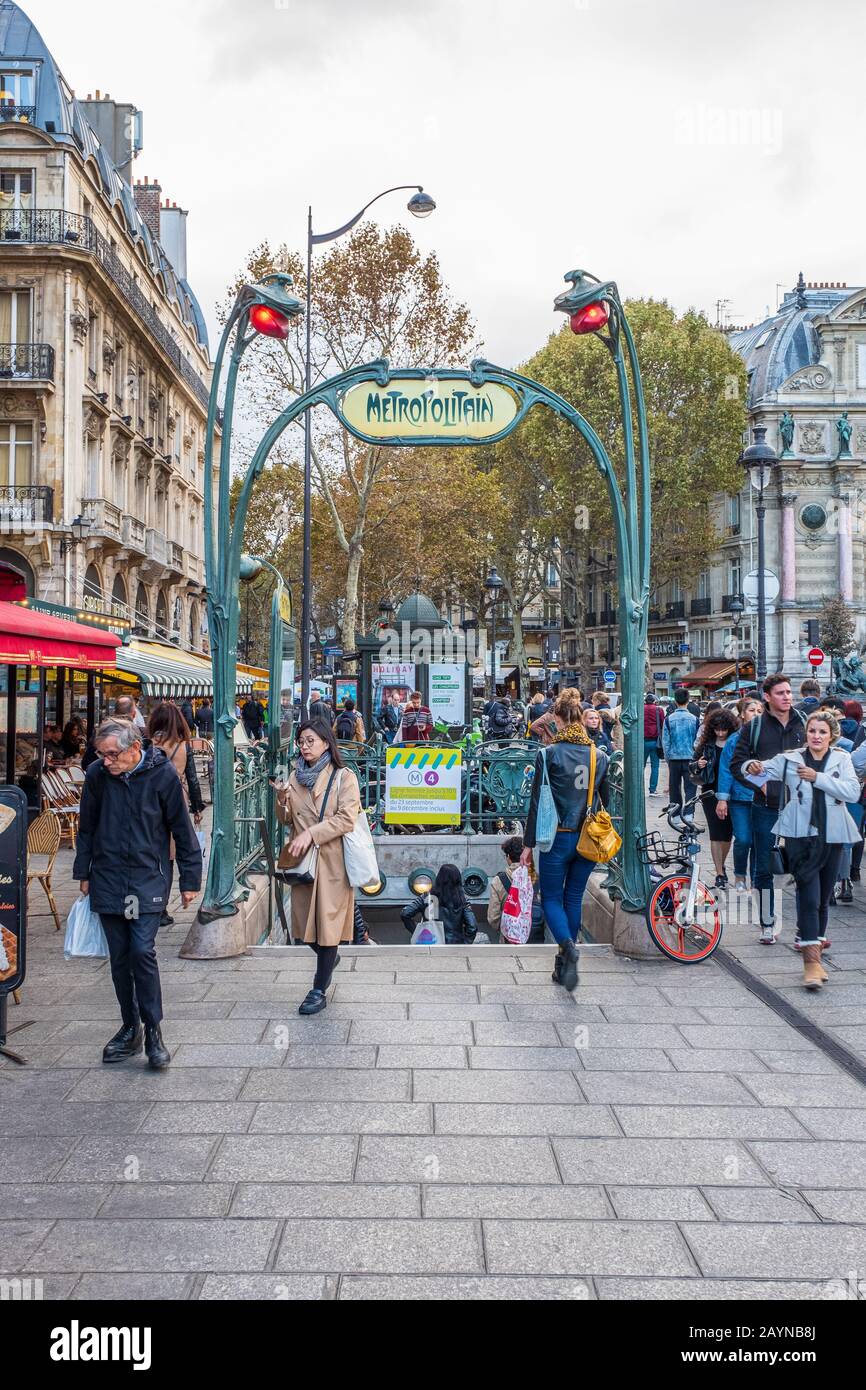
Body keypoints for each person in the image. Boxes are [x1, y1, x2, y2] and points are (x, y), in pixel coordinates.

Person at [73, 717, 202, 1068]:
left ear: (134, 748)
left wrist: (190, 879)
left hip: (148, 877)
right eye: (101, 754)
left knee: (142, 951)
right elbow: (87, 826)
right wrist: (82, 871)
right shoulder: (99, 775)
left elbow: (181, 827)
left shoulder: (162, 776)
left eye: (113, 754)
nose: (106, 761)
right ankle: (130, 1028)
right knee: (119, 960)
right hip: (109, 877)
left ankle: (154, 1030)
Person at [745, 711, 860, 989]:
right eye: (812, 731)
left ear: (831, 735)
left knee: (822, 898)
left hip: (833, 834)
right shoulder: (791, 758)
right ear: (806, 733)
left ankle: (816, 957)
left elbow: (852, 793)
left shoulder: (842, 759)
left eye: (822, 732)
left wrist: (817, 778)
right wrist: (751, 766)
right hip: (799, 834)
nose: (816, 736)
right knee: (808, 894)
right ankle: (810, 964)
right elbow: (758, 769)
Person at [521, 688, 608, 992]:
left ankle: (567, 947)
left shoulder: (547, 754)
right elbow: (605, 804)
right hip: (587, 839)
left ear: (558, 718)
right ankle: (564, 962)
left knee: (551, 899)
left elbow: (535, 803)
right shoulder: (600, 756)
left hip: (557, 838)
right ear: (582, 719)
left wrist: (528, 845)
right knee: (573, 898)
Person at [274, 720, 361, 1015]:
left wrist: (312, 833)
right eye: (301, 741)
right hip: (303, 863)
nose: (305, 746)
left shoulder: (343, 777)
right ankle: (329, 958)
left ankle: (318, 989)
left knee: (328, 928)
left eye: (311, 740)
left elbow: (347, 818)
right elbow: (286, 820)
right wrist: (281, 797)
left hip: (332, 863)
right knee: (304, 929)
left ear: (326, 742)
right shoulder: (296, 777)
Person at [731, 673, 806, 944]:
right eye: (780, 693)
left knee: (803, 868)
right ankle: (767, 923)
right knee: (763, 866)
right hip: (766, 805)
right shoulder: (755, 727)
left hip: (801, 806)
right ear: (767, 697)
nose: (787, 697)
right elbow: (737, 763)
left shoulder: (805, 722)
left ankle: (805, 932)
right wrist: (760, 783)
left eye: (789, 692)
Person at [146, 702, 205, 926]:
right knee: (170, 855)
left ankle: (152, 903)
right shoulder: (182, 745)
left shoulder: (148, 744)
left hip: (150, 798)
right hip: (176, 797)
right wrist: (197, 807)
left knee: (154, 849)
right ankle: (161, 907)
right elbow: (192, 778)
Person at [716, 695, 762, 890]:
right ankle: (740, 874)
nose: (756, 714)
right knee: (743, 839)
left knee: (759, 841)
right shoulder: (735, 740)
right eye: (752, 711)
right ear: (743, 714)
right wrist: (723, 799)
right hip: (739, 798)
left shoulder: (768, 737)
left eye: (760, 711)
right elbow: (725, 769)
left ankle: (756, 878)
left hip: (763, 797)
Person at [692, 707, 738, 887]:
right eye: (717, 729)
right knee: (716, 832)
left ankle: (722, 864)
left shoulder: (736, 742)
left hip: (732, 792)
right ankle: (719, 872)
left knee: (728, 834)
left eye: (723, 729)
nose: (720, 733)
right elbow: (692, 765)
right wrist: (698, 764)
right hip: (710, 791)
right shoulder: (707, 744)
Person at [401, 863, 478, 944]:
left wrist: (418, 932)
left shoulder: (427, 896)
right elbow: (472, 926)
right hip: (454, 946)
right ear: (458, 880)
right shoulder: (462, 900)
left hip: (431, 943)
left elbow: (405, 913)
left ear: (438, 878)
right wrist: (465, 943)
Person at [488, 834, 544, 943]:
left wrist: (504, 928)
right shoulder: (536, 878)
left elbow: (493, 917)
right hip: (535, 934)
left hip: (510, 937)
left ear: (508, 856)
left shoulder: (499, 880)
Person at [662, 687, 699, 812]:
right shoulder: (695, 720)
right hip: (690, 758)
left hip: (674, 758)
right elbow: (698, 741)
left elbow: (666, 742)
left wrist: (668, 759)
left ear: (675, 702)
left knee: (674, 788)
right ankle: (689, 814)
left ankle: (676, 814)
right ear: (688, 701)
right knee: (690, 788)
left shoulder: (668, 719)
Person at [643, 694, 665, 795]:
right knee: (655, 766)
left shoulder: (641, 709)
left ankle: (639, 788)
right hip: (655, 741)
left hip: (642, 741)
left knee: (640, 766)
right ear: (654, 701)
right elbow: (662, 724)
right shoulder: (658, 710)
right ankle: (652, 789)